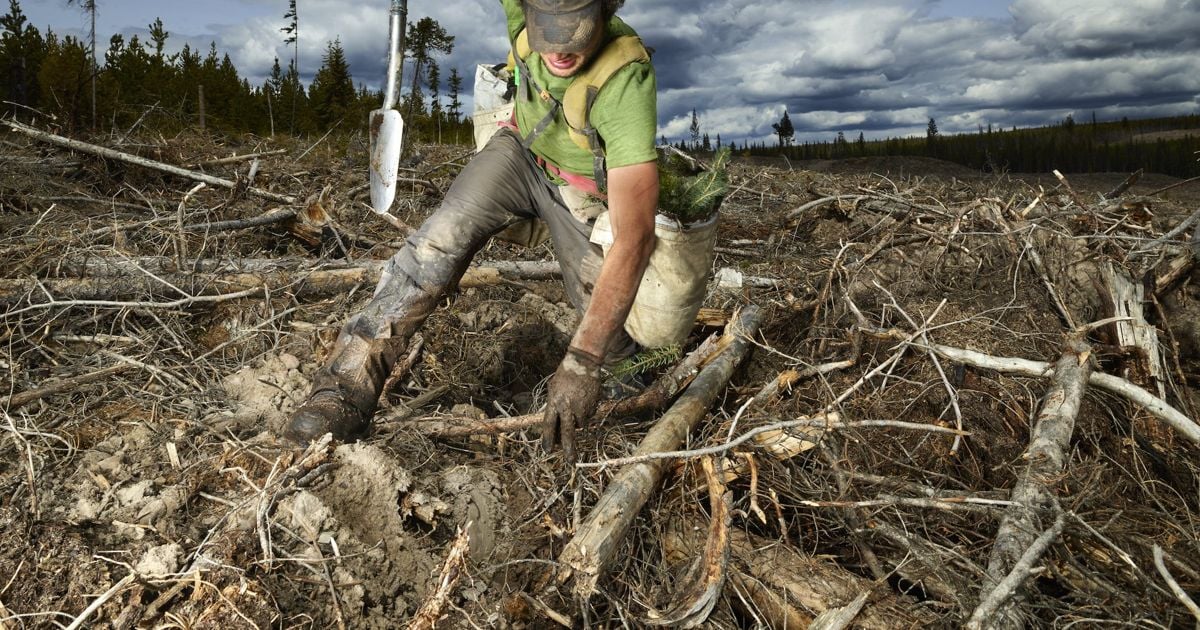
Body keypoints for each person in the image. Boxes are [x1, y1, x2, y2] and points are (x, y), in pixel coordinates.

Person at [284, 0, 659, 461]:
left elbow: (635, 236)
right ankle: (343, 389)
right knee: (435, 244)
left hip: (578, 189)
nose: (559, 50)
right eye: (547, 30)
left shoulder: (626, 80)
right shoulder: (520, 10)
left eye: (574, 33)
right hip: (519, 153)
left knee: (609, 327)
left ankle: (631, 411)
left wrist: (582, 362)